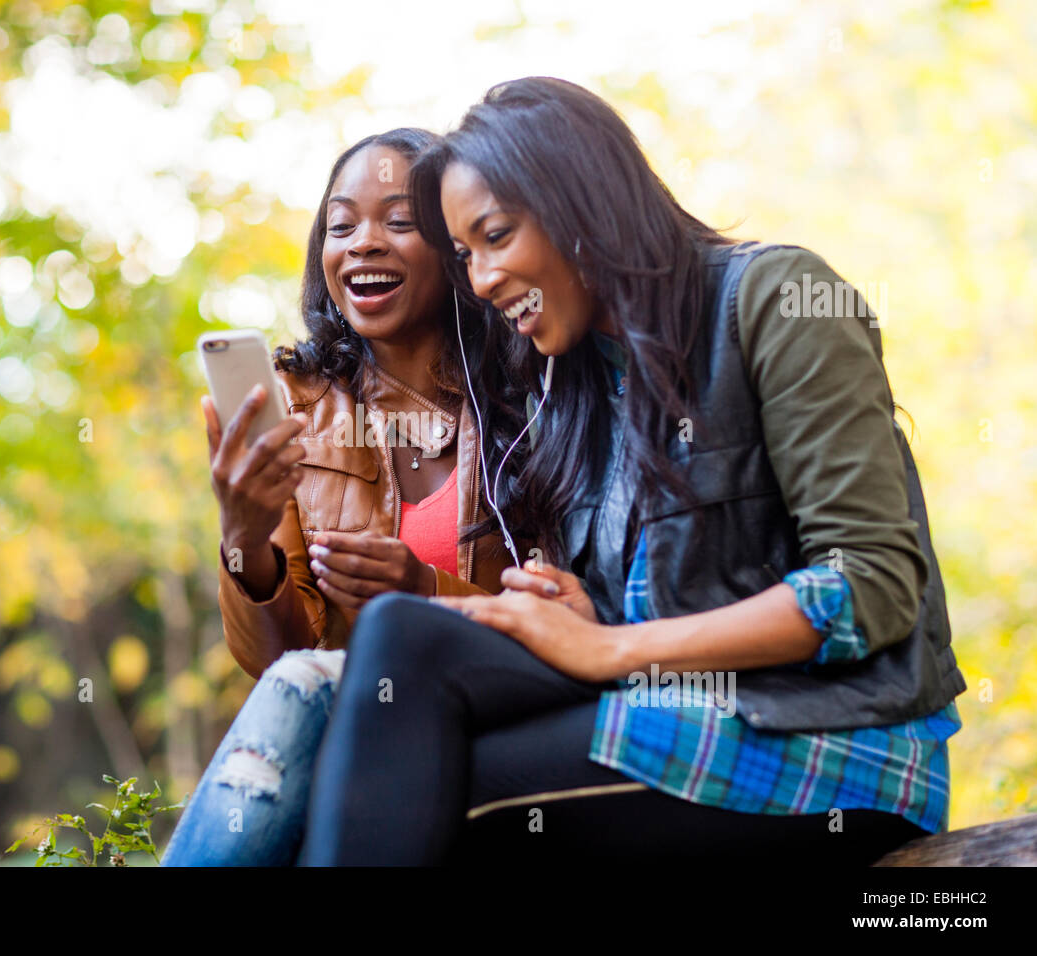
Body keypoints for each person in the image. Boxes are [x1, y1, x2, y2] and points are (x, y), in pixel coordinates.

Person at [297, 78, 967, 866]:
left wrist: (613, 650)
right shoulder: (576, 387)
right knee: (400, 634)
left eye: (497, 236)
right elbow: (643, 622)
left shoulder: (780, 300)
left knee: (421, 782)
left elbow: (871, 587)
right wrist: (588, 617)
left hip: (835, 743)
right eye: (467, 255)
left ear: (580, 204)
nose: (479, 280)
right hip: (667, 714)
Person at [162, 128, 516, 866]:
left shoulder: (527, 400)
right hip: (344, 729)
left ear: (456, 248)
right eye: (341, 223)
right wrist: (245, 541)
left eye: (398, 221)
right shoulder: (295, 407)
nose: (362, 243)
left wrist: (422, 592)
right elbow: (278, 657)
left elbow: (570, 613)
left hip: (487, 716)